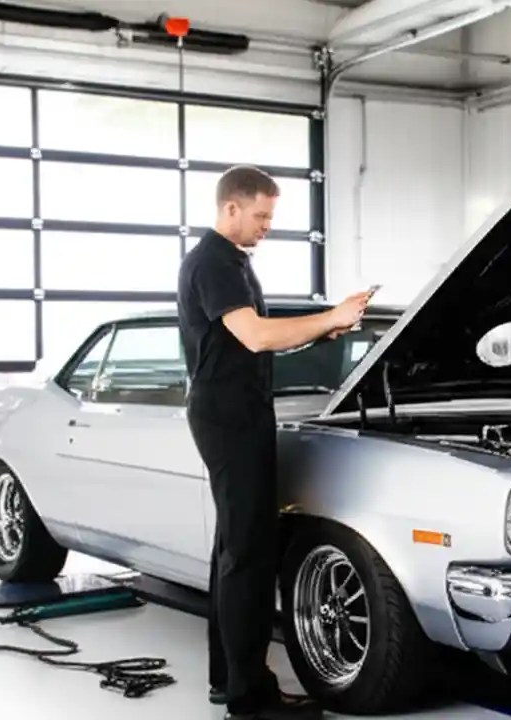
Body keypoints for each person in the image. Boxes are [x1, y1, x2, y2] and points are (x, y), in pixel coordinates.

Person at [177, 165, 369, 719]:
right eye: (260, 216)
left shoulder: (230, 264)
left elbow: (260, 324)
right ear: (230, 208)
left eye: (271, 217)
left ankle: (227, 677)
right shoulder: (214, 261)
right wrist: (329, 316)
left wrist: (323, 324)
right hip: (229, 417)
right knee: (250, 551)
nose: (267, 226)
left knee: (232, 550)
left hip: (232, 412)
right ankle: (250, 697)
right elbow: (257, 335)